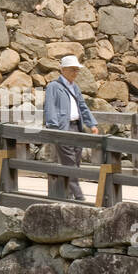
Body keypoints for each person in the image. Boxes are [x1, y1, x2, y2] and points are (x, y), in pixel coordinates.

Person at [43, 55, 98, 201]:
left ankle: (69, 194)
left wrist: (91, 124)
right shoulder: (53, 86)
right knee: (70, 162)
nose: (75, 73)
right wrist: (54, 128)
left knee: (76, 161)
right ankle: (79, 197)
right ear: (63, 70)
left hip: (76, 127)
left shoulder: (75, 87)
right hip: (63, 128)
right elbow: (50, 108)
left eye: (77, 70)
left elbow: (83, 107)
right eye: (72, 70)